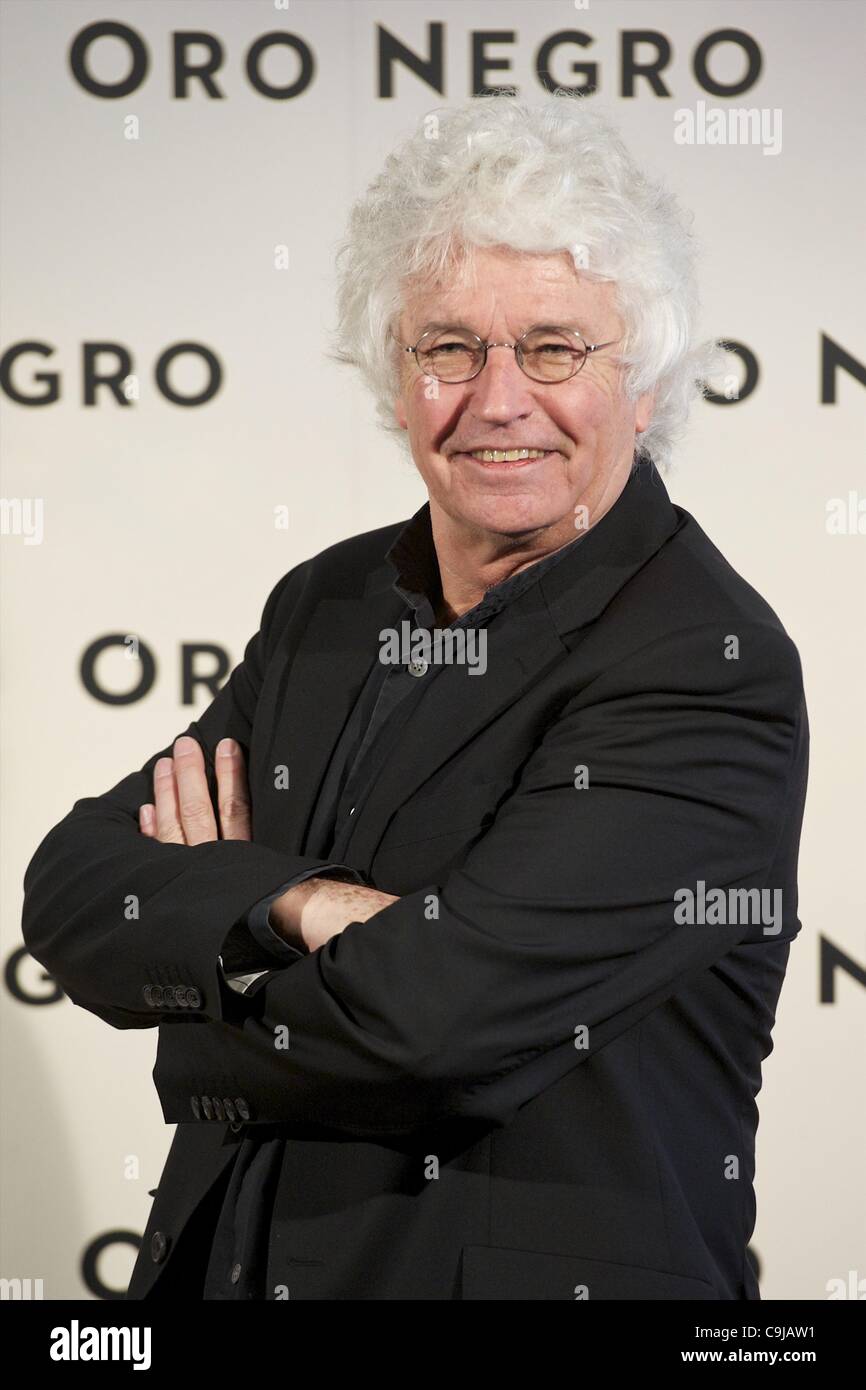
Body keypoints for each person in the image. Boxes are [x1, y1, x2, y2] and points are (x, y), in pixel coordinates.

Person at [22, 94, 808, 1301]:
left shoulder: (701, 660)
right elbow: (77, 891)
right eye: (448, 346)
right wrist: (303, 907)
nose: (496, 399)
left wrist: (214, 951)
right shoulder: (327, 602)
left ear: (644, 386)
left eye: (552, 348)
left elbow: (433, 1021)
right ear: (394, 377)